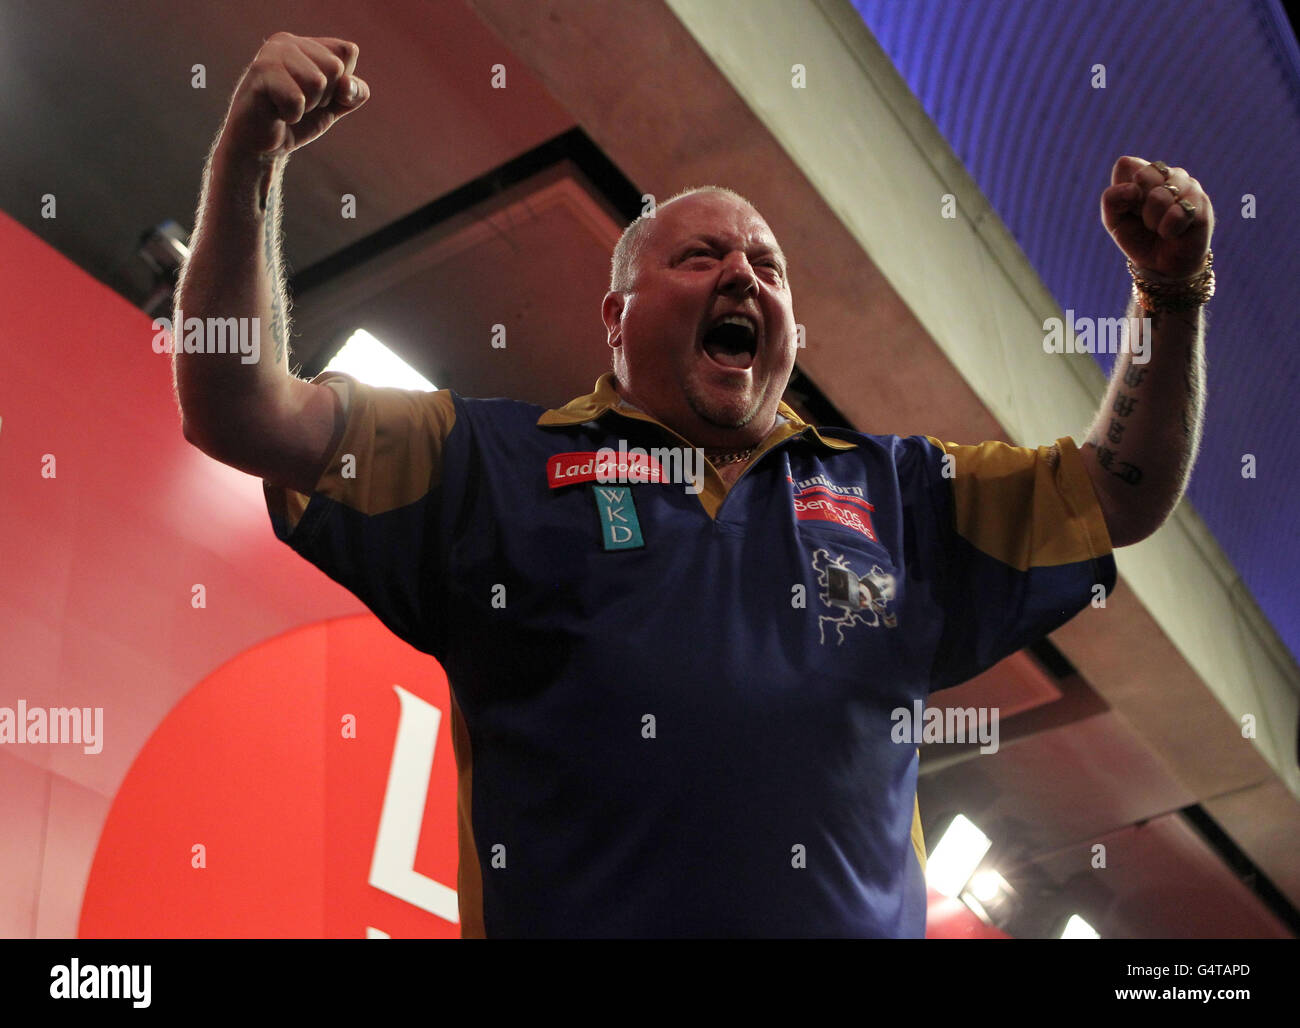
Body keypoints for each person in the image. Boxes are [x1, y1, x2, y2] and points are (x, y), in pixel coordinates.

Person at [174, 33, 1213, 938]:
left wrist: (1168, 295)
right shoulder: (485, 466)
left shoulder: (903, 496)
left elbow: (1116, 490)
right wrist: (249, 163)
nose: (744, 274)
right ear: (616, 322)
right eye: (701, 255)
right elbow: (244, 408)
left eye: (766, 263)